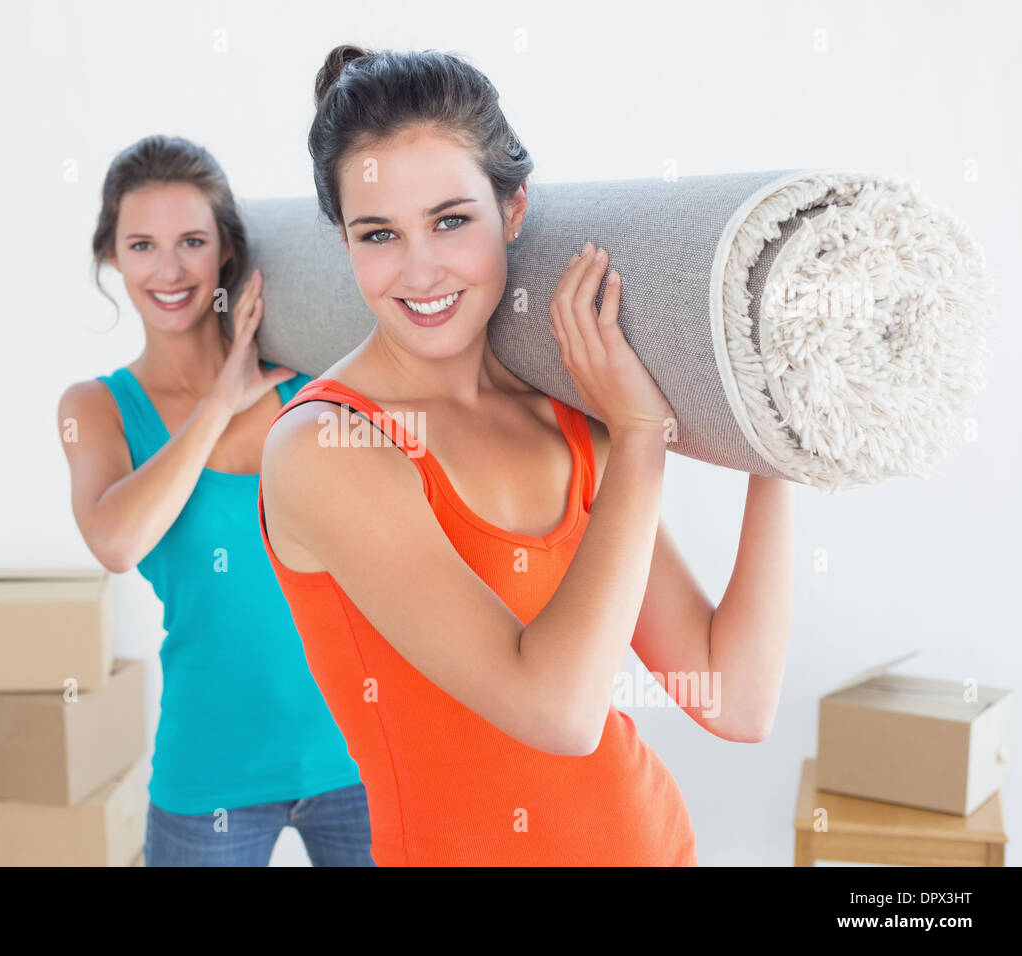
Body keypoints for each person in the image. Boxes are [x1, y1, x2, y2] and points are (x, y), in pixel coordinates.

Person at [258, 47, 795, 865]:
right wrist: (641, 435)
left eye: (451, 220)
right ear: (342, 240)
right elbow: (560, 713)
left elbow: (734, 698)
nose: (420, 270)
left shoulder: (571, 415)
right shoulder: (326, 448)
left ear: (513, 210)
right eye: (379, 234)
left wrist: (777, 424)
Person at [58, 135, 373, 866]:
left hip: (356, 752)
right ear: (110, 255)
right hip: (211, 770)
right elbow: (116, 543)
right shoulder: (98, 408)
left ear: (226, 250)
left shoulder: (307, 382)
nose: (168, 271)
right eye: (142, 245)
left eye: (191, 242)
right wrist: (219, 403)